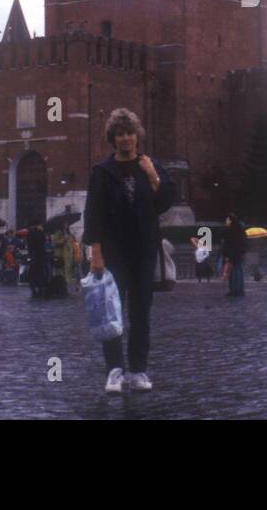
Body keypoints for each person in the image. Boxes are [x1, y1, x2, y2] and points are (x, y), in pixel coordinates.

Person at [83, 107, 177, 394]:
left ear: (137, 136)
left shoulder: (151, 166)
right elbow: (93, 213)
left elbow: (164, 203)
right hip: (113, 252)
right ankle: (114, 371)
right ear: (113, 138)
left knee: (140, 313)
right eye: (120, 134)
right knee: (111, 313)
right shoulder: (102, 171)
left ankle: (137, 371)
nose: (126, 138)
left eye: (130, 133)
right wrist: (95, 251)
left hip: (144, 250)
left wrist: (153, 177)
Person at [221, 212, 247, 297]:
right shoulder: (239, 230)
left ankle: (234, 290)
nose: (226, 221)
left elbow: (229, 244)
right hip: (238, 254)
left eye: (227, 220)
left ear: (231, 220)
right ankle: (239, 290)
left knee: (233, 272)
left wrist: (227, 255)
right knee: (238, 270)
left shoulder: (231, 231)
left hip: (232, 254)